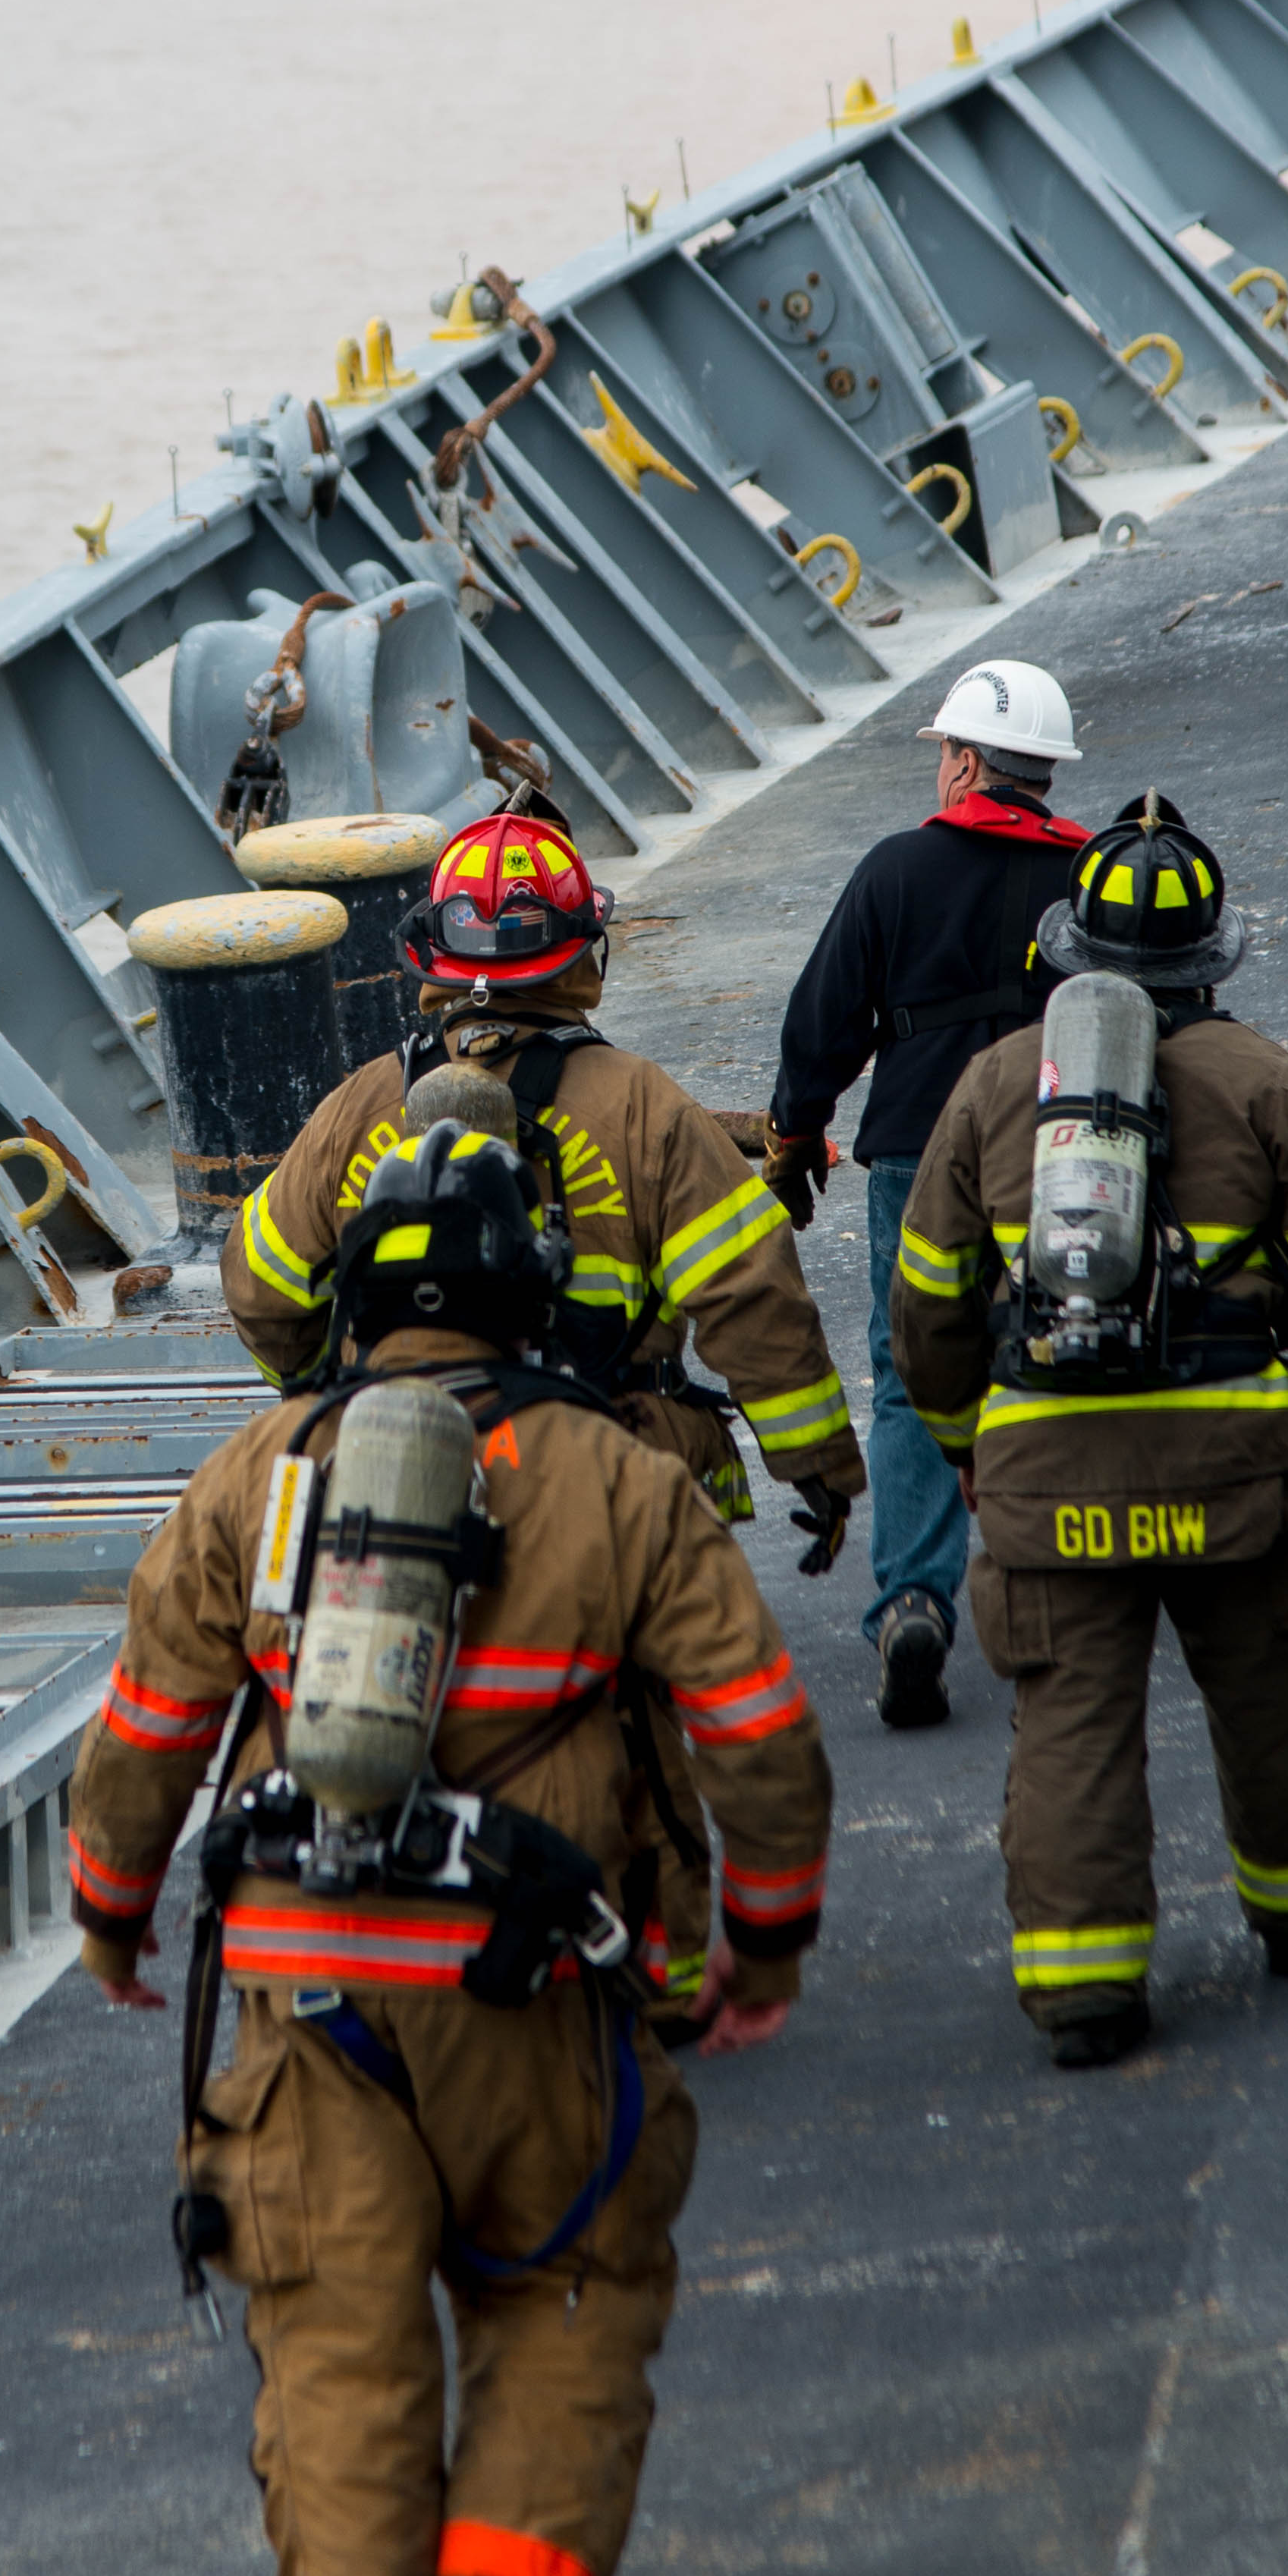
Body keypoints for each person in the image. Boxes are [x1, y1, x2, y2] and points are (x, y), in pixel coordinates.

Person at [70, 1121, 834, 2576]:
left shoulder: (251, 1472)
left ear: (345, 1297)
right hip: (531, 1997)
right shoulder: (621, 1477)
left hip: (303, 2006)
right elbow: (756, 1739)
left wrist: (108, 1921)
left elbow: (143, 1733)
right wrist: (762, 1943)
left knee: (332, 2363)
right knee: (573, 2288)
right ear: (532, 1290)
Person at [219, 805, 863, 2035]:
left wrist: (328, 1389)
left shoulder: (361, 1109)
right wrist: (822, 1471)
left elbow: (260, 1287)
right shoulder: (644, 1111)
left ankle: (417, 1959)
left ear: (425, 957)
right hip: (612, 1473)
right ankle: (659, 1988)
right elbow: (755, 1301)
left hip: (392, 1478)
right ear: (582, 955)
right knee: (633, 1740)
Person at [884, 790, 1288, 2068]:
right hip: (1236, 1472)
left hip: (1046, 1477)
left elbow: (922, 1305)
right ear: (1210, 958)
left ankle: (1084, 1986)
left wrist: (962, 1443)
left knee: (1072, 1717)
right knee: (1268, 1682)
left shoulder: (989, 1089)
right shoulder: (1267, 1082)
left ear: (1071, 952)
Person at [764, 657, 1089, 1732]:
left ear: (962, 763)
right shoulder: (1091, 874)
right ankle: (1081, 1573)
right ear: (1043, 770)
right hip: (1060, 1146)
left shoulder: (896, 869)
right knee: (1069, 1346)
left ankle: (913, 1595)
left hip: (917, 1149)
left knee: (910, 1368)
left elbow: (822, 1021)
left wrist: (798, 1131)